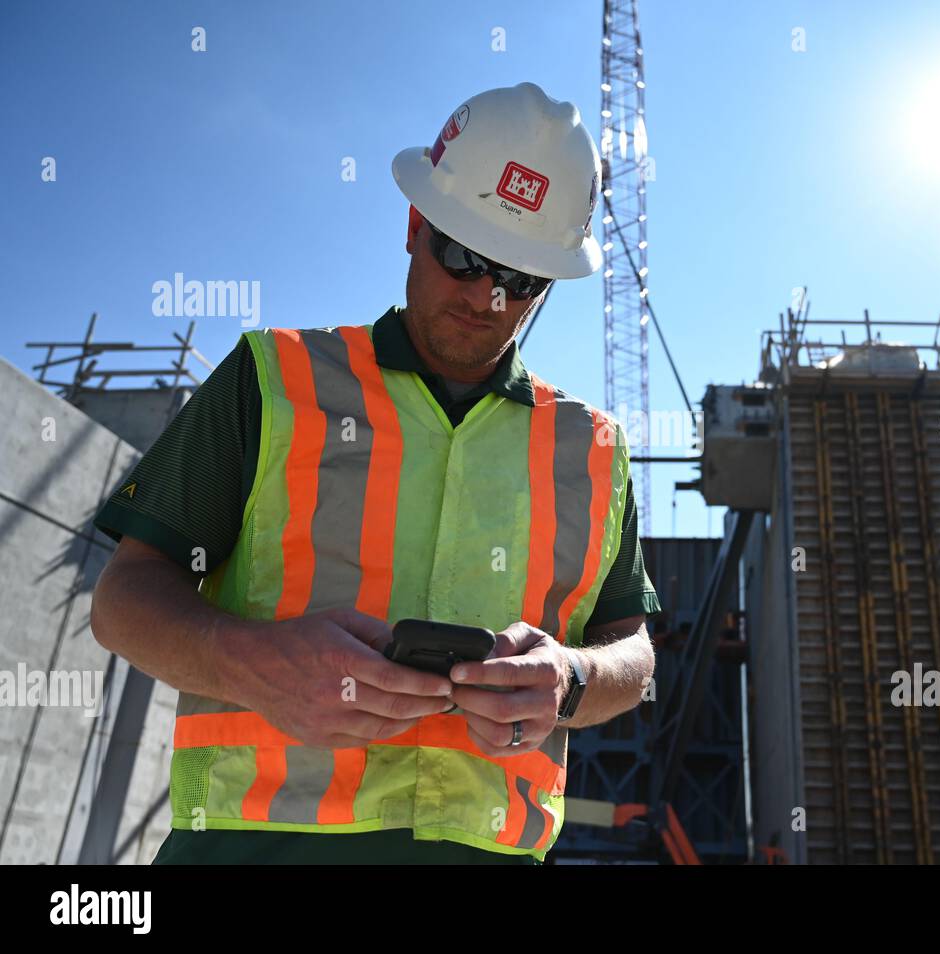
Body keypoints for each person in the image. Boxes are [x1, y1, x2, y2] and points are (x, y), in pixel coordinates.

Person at [90, 82, 660, 865]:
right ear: (415, 225)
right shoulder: (272, 381)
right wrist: (260, 668)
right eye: (463, 256)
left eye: (522, 277)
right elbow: (123, 600)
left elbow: (632, 650)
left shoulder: (592, 448)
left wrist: (570, 677)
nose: (487, 297)